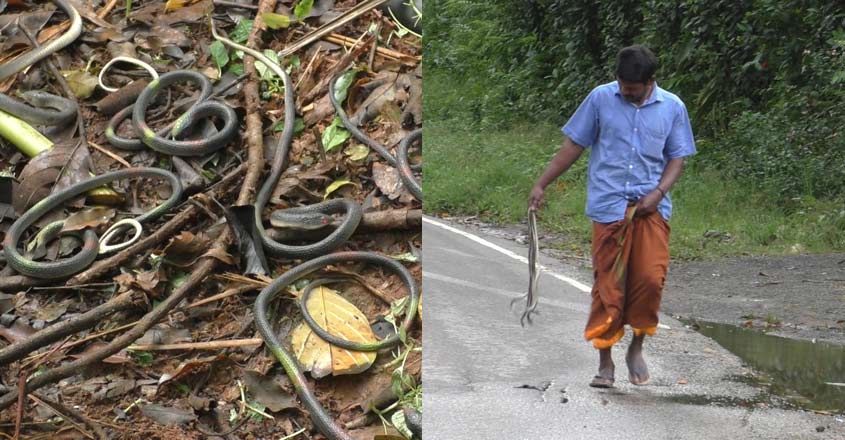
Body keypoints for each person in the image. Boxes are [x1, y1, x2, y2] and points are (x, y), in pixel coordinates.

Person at [528, 45, 696, 388]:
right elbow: (573, 145)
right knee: (608, 287)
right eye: (621, 84)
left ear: (650, 82)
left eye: (631, 88)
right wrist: (542, 183)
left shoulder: (673, 107)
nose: (624, 91)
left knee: (650, 280)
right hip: (608, 208)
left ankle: (636, 346)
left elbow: (677, 159)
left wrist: (658, 193)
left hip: (651, 210)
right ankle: (605, 361)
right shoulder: (600, 99)